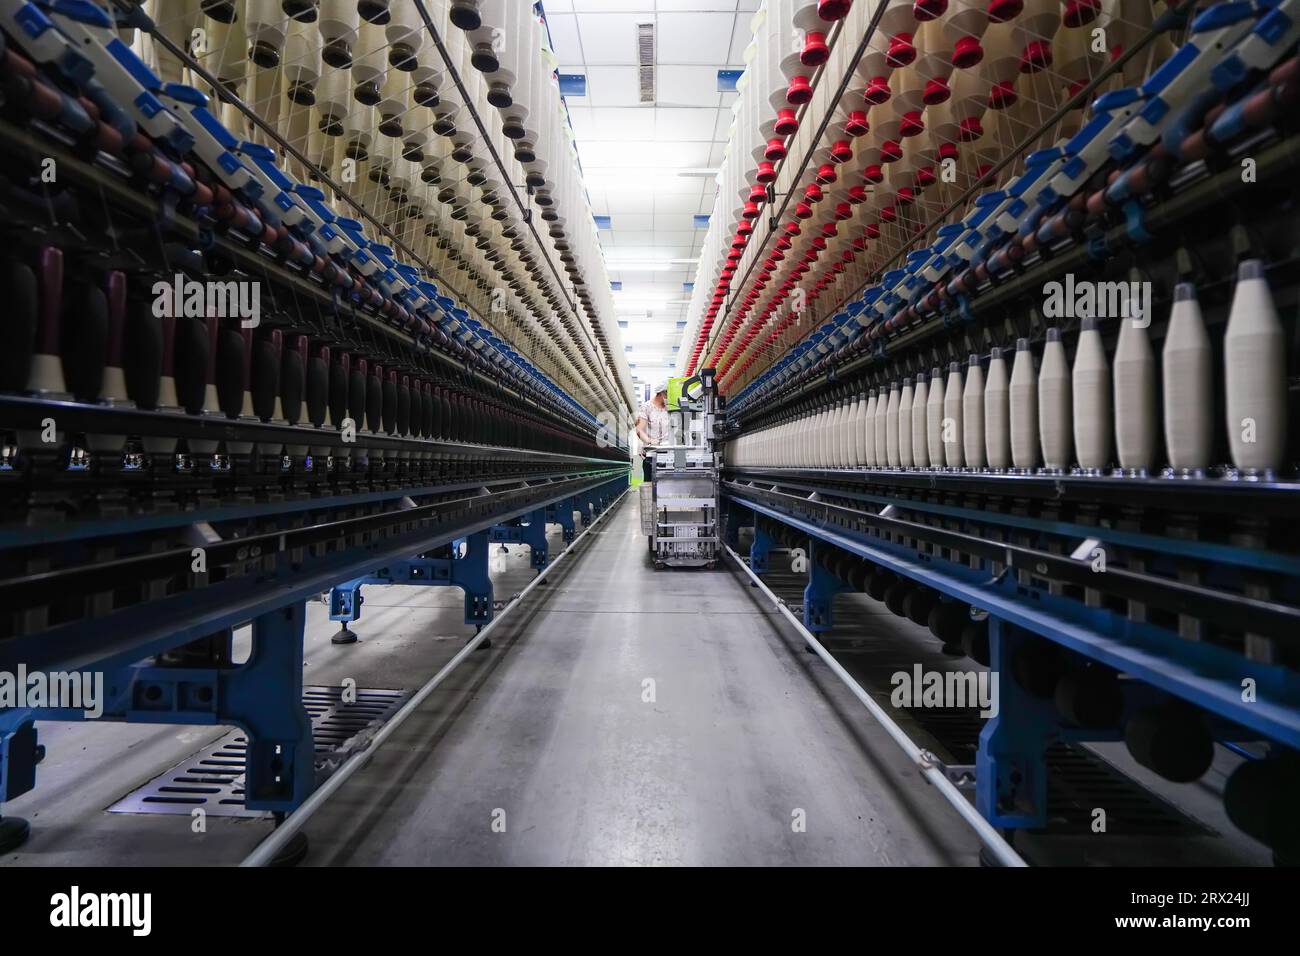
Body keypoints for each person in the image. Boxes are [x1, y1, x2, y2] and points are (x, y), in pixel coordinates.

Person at [635, 381, 671, 482]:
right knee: (651, 488)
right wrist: (649, 440)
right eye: (668, 394)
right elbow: (639, 429)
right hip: (652, 455)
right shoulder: (646, 407)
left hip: (669, 454)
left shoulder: (670, 407)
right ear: (662, 393)